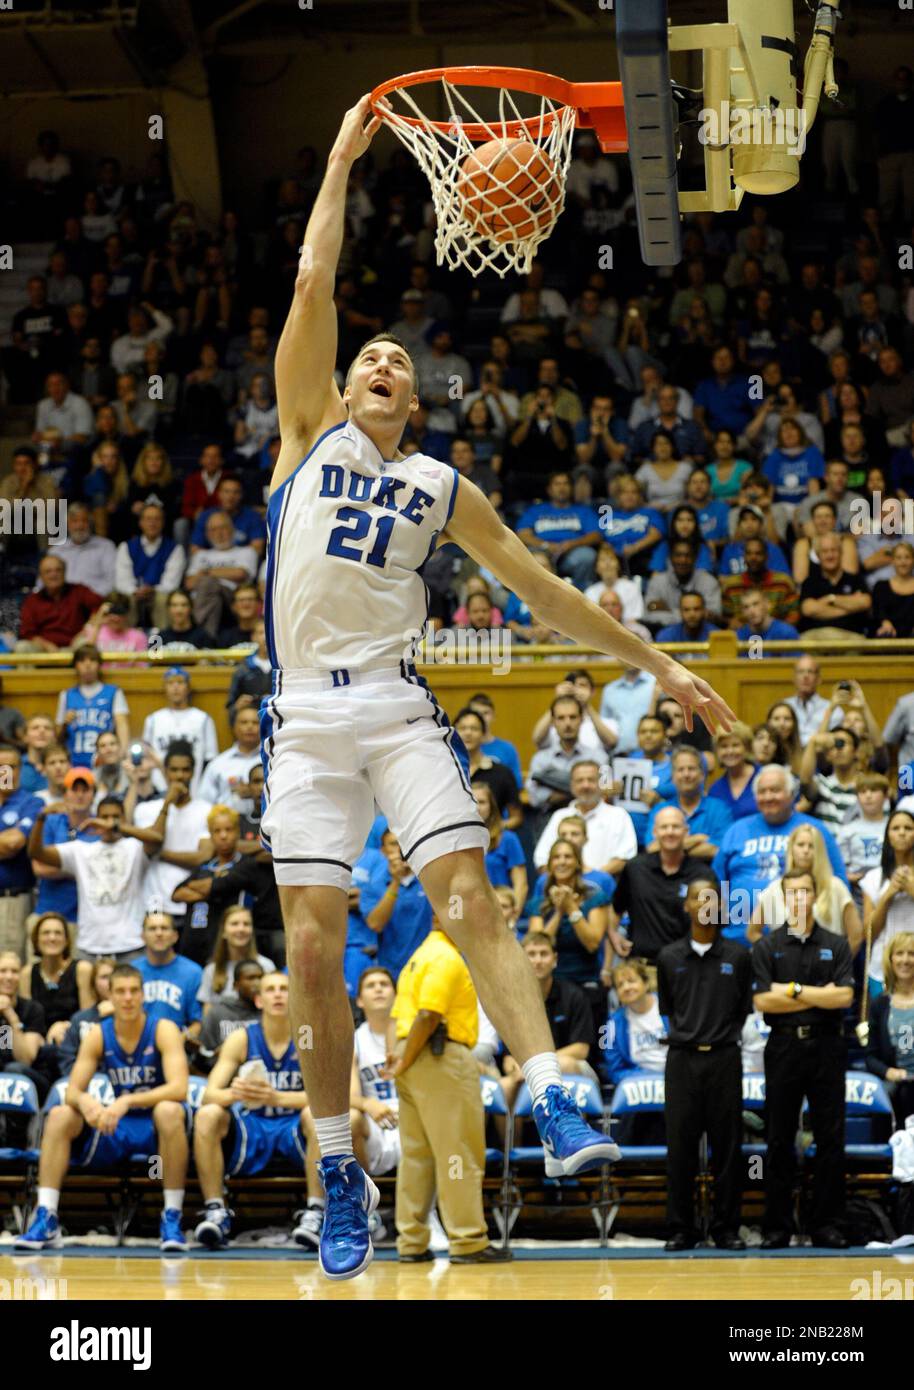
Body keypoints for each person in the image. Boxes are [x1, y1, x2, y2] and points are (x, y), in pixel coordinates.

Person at [261, 93, 731, 1281]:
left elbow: (548, 592)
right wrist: (337, 159)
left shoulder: (439, 485)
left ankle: (551, 1087)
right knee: (311, 952)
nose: (377, 361)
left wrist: (662, 663)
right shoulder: (304, 429)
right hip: (303, 718)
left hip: (397, 701)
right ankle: (334, 1165)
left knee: (467, 894)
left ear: (412, 402)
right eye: (369, 355)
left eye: (397, 363)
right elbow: (315, 281)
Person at [15, 963, 190, 1252]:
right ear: (110, 996)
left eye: (134, 991)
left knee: (169, 1110)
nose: (128, 998)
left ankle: (171, 1216)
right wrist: (87, 1102)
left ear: (143, 994)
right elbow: (71, 1090)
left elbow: (179, 1088)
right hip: (115, 1125)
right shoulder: (98, 1033)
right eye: (120, 991)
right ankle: (46, 1216)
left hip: (156, 1129)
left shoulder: (163, 1029)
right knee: (60, 1114)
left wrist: (126, 1100)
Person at [388, 914, 510, 1266]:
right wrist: (405, 1059)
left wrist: (399, 1058)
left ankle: (410, 1241)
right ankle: (468, 1239)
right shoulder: (445, 957)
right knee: (459, 1153)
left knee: (416, 1156)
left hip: (411, 1057)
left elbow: (400, 1017)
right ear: (441, 917)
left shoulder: (417, 957)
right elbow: (428, 1015)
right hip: (439, 1056)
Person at [751, 869, 854, 1249]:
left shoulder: (837, 944)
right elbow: (762, 1001)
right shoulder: (767, 947)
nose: (798, 899)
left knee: (830, 1138)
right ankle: (777, 1226)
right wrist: (815, 993)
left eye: (805, 892)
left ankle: (827, 1224)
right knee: (778, 1138)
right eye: (791, 893)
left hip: (827, 1046)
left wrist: (790, 990)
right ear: (782, 897)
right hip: (782, 1046)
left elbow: (843, 998)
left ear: (815, 896)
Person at [192, 972, 320, 1250]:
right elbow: (209, 1094)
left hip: (293, 1126)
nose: (278, 994)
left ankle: (316, 1213)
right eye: (270, 990)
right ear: (259, 1000)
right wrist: (236, 1093)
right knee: (207, 1115)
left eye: (285, 989)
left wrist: (277, 1097)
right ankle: (216, 1211)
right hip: (252, 1127)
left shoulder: (308, 1036)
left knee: (317, 1115)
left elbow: (328, 1098)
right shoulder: (241, 1038)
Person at [658, 874, 752, 1251]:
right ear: (687, 906)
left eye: (713, 899)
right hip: (681, 1061)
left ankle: (726, 1228)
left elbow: (742, 1009)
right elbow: (668, 1008)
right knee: (679, 1148)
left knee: (728, 1148)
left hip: (724, 1059)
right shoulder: (668, 957)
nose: (705, 906)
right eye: (699, 899)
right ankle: (681, 1228)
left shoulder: (738, 956)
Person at [712, 764, 848, 946]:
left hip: (799, 944)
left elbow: (837, 881)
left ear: (792, 795)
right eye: (762, 791)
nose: (768, 797)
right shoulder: (737, 830)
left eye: (775, 790)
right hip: (739, 939)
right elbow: (716, 884)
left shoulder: (814, 829)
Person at [28, 794, 166, 960]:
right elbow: (36, 852)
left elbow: (157, 839)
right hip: (89, 946)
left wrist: (117, 827)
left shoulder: (135, 847)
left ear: (123, 819)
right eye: (104, 817)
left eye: (115, 817)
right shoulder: (81, 850)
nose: (109, 822)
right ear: (96, 819)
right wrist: (41, 818)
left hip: (131, 944)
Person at [610, 807, 710, 962]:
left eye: (676, 826)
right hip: (642, 968)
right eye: (664, 827)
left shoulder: (703, 875)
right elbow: (616, 908)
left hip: (686, 967)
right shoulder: (635, 868)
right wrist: (613, 934)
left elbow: (714, 924)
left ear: (686, 831)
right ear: (654, 832)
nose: (670, 832)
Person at [345, 967, 401, 1244]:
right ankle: (367, 1209)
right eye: (371, 986)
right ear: (359, 1000)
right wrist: (369, 1103)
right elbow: (347, 1095)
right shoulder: (354, 1040)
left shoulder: (409, 1032)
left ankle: (429, 1216)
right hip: (375, 1120)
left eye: (384, 984)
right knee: (350, 1119)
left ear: (395, 994)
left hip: (412, 1117)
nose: (379, 989)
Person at [748, 823, 862, 949]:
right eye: (800, 845)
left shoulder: (836, 887)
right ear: (791, 849)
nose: (806, 850)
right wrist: (773, 959)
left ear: (819, 851)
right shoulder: (774, 889)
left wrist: (839, 965)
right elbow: (752, 932)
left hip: (826, 964)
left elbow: (856, 936)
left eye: (811, 846)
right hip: (786, 966)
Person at [533, 759, 637, 879]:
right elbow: (541, 859)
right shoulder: (560, 816)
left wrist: (591, 880)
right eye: (580, 780)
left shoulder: (618, 815)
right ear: (572, 786)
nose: (585, 785)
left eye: (591, 780)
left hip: (604, 889)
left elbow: (624, 858)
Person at [141, 668, 218, 798]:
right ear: (164, 688)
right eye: (170, 683)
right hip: (159, 791)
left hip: (195, 791)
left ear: (188, 688)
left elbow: (210, 760)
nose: (175, 687)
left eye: (180, 682)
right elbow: (146, 756)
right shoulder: (153, 719)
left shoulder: (203, 719)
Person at [18, 912, 92, 1047]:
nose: (52, 938)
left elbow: (88, 1018)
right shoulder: (27, 973)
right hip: (38, 1044)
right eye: (46, 933)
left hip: (75, 1041)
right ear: (36, 939)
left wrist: (64, 1026)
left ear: (67, 939)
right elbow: (27, 1021)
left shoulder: (82, 969)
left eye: (58, 933)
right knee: (15, 1067)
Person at [645, 745, 730, 860]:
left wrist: (670, 848)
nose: (686, 774)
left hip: (708, 875)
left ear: (702, 775)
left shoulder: (719, 809)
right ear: (673, 777)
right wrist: (698, 839)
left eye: (691, 769)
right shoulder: (660, 810)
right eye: (680, 769)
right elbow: (652, 848)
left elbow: (718, 850)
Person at [861, 811, 914, 993]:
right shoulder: (873, 878)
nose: (902, 832)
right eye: (895, 828)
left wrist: (910, 888)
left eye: (908, 828)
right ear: (887, 836)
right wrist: (888, 894)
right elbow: (868, 933)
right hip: (882, 966)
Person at [864, 934, 914, 1125]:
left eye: (911, 953)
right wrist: (889, 1072)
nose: (905, 960)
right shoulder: (880, 1005)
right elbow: (870, 1057)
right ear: (890, 959)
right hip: (895, 1085)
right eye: (899, 953)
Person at [55, 644, 130, 771]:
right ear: (76, 666)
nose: (88, 665)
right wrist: (64, 723)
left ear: (99, 665)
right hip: (74, 763)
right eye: (82, 660)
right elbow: (57, 736)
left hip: (104, 763)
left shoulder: (114, 692)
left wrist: (123, 754)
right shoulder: (66, 695)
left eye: (92, 660)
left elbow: (122, 725)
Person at [135, 911, 203, 1049]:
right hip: (137, 1047)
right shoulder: (132, 971)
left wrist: (174, 1044)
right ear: (142, 936)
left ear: (175, 936)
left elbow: (198, 1023)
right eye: (152, 929)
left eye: (164, 928)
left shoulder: (193, 972)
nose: (159, 933)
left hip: (178, 1046)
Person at [0, 747, 44, 957]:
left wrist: (9, 842)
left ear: (20, 770)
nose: (5, 773)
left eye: (12, 767)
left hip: (13, 900)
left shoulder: (32, 802)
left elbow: (14, 844)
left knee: (9, 964)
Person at [16, 553, 104, 653]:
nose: (53, 575)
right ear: (41, 576)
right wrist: (47, 645)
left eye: (58, 570)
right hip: (44, 649)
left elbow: (102, 608)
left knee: (86, 642)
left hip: (75, 646)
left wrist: (87, 629)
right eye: (48, 571)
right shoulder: (32, 601)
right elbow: (27, 633)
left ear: (65, 572)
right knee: (22, 647)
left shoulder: (79, 591)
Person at [604, 959, 669, 1085]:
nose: (626, 988)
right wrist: (644, 1078)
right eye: (620, 985)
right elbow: (612, 1069)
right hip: (636, 1082)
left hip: (676, 1079)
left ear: (646, 983)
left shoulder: (672, 1007)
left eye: (631, 981)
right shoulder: (609, 1025)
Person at [196, 905, 275, 1009]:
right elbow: (207, 1015)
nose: (241, 929)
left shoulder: (266, 966)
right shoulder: (211, 970)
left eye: (246, 924)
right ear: (223, 931)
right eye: (234, 924)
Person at [195, 958, 263, 1074]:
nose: (257, 983)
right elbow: (203, 1059)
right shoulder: (217, 1013)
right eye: (250, 978)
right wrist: (216, 1054)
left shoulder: (269, 1013)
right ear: (235, 985)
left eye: (260, 978)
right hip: (224, 1077)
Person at [0, 950, 49, 1110]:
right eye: (3, 971)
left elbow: (25, 1058)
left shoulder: (33, 1009)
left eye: (14, 971)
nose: (8, 977)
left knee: (13, 1070)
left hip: (30, 1077)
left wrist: (11, 1017)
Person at [799, 532, 872, 637]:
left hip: (851, 638)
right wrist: (850, 607)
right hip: (816, 637)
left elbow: (865, 602)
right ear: (818, 556)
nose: (830, 555)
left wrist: (830, 599)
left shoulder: (855, 579)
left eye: (834, 550)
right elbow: (808, 609)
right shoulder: (810, 582)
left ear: (841, 553)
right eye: (825, 551)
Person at [473, 784, 527, 914]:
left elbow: (521, 885)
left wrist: (513, 916)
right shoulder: (457, 841)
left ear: (491, 806)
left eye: (482, 802)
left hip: (500, 911)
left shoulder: (508, 839)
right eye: (472, 801)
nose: (476, 807)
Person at [707, 723, 759, 821]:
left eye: (735, 745)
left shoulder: (763, 777)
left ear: (746, 748)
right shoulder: (715, 790)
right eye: (724, 746)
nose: (730, 751)